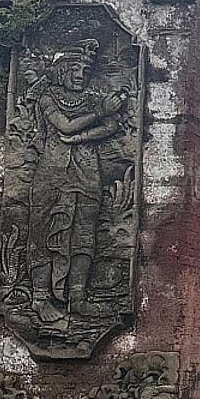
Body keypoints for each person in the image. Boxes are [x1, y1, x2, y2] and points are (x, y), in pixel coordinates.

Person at [28, 39, 127, 326]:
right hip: (53, 170)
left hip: (85, 169)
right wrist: (98, 115)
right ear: (61, 70)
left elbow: (112, 127)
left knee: (85, 231)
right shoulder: (48, 97)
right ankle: (40, 296)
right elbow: (64, 125)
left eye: (85, 70)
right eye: (74, 68)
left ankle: (77, 296)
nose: (80, 75)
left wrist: (80, 138)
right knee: (44, 228)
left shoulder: (92, 98)